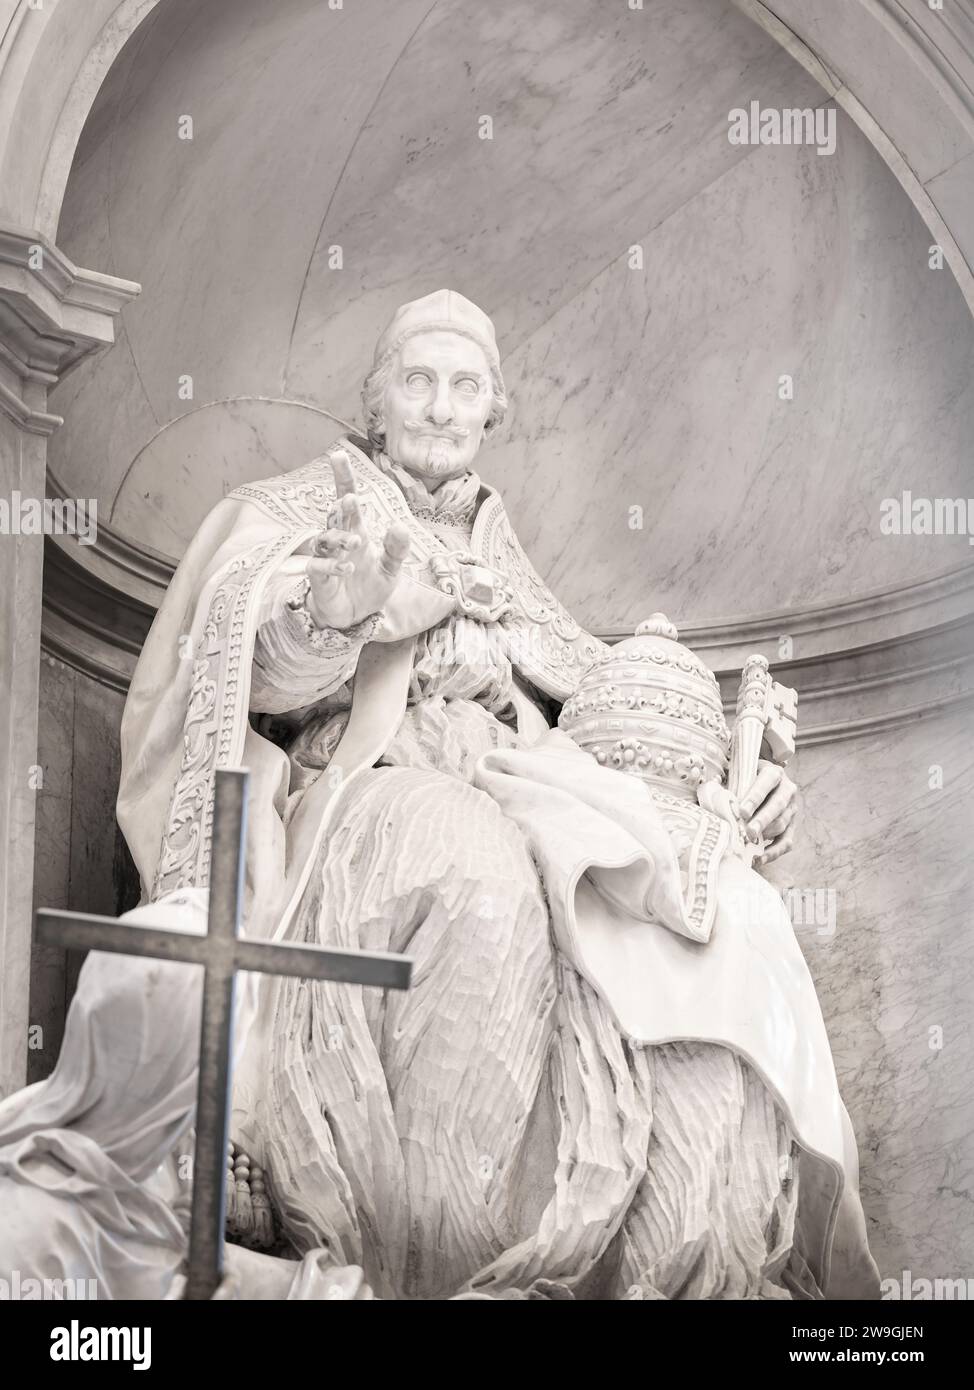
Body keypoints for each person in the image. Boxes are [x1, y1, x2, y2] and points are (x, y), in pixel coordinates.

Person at [115, 289, 877, 1299]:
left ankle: (699, 1261)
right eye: (416, 382)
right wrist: (331, 615)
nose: (437, 406)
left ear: (493, 411)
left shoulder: (515, 575)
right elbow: (236, 674)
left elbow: (607, 735)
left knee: (730, 911)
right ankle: (438, 1266)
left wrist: (731, 793)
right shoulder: (303, 511)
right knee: (471, 867)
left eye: (462, 386)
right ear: (374, 401)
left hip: (529, 790)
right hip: (368, 787)